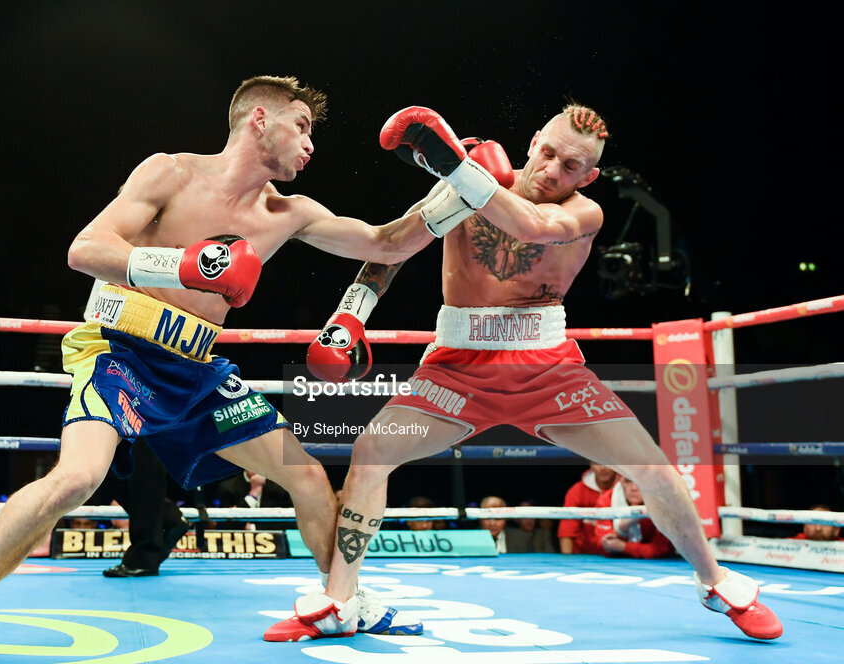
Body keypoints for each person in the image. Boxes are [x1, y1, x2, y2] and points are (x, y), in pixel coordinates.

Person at [0, 75, 438, 664]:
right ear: (259, 120)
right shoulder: (171, 172)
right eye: (302, 125)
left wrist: (459, 184)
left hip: (197, 370)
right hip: (121, 353)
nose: (311, 144)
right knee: (76, 478)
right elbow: (85, 248)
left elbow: (385, 244)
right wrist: (186, 265)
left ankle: (347, 600)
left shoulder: (289, 212)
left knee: (310, 477)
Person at [266, 103, 783, 642]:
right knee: (373, 450)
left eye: (570, 165)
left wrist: (450, 163)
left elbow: (533, 227)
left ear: (589, 176)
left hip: (548, 371)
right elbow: (393, 249)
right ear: (534, 140)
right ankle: (340, 601)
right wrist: (350, 313)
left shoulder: (585, 213)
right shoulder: (467, 180)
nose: (552, 168)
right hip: (456, 371)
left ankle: (716, 582)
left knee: (650, 465)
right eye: (549, 151)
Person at [96, 438, 190, 577]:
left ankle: (143, 558)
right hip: (126, 421)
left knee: (144, 471)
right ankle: (168, 517)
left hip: (149, 422)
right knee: (108, 470)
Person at [594, 476, 673, 559]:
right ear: (621, 482)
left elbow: (661, 548)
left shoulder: (661, 502)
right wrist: (622, 529)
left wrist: (623, 547)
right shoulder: (607, 500)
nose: (634, 488)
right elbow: (605, 545)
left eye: (640, 482)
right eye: (628, 481)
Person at [558, 462, 617, 554]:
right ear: (590, 464)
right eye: (597, 462)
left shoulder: (628, 488)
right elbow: (567, 532)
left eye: (607, 462)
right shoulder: (577, 491)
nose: (603, 467)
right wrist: (568, 564)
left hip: (620, 557)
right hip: (584, 557)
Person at [217, 469, 292, 530]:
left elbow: (290, 523)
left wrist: (255, 528)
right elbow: (226, 525)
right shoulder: (228, 487)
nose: (256, 466)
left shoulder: (281, 487)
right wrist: (253, 495)